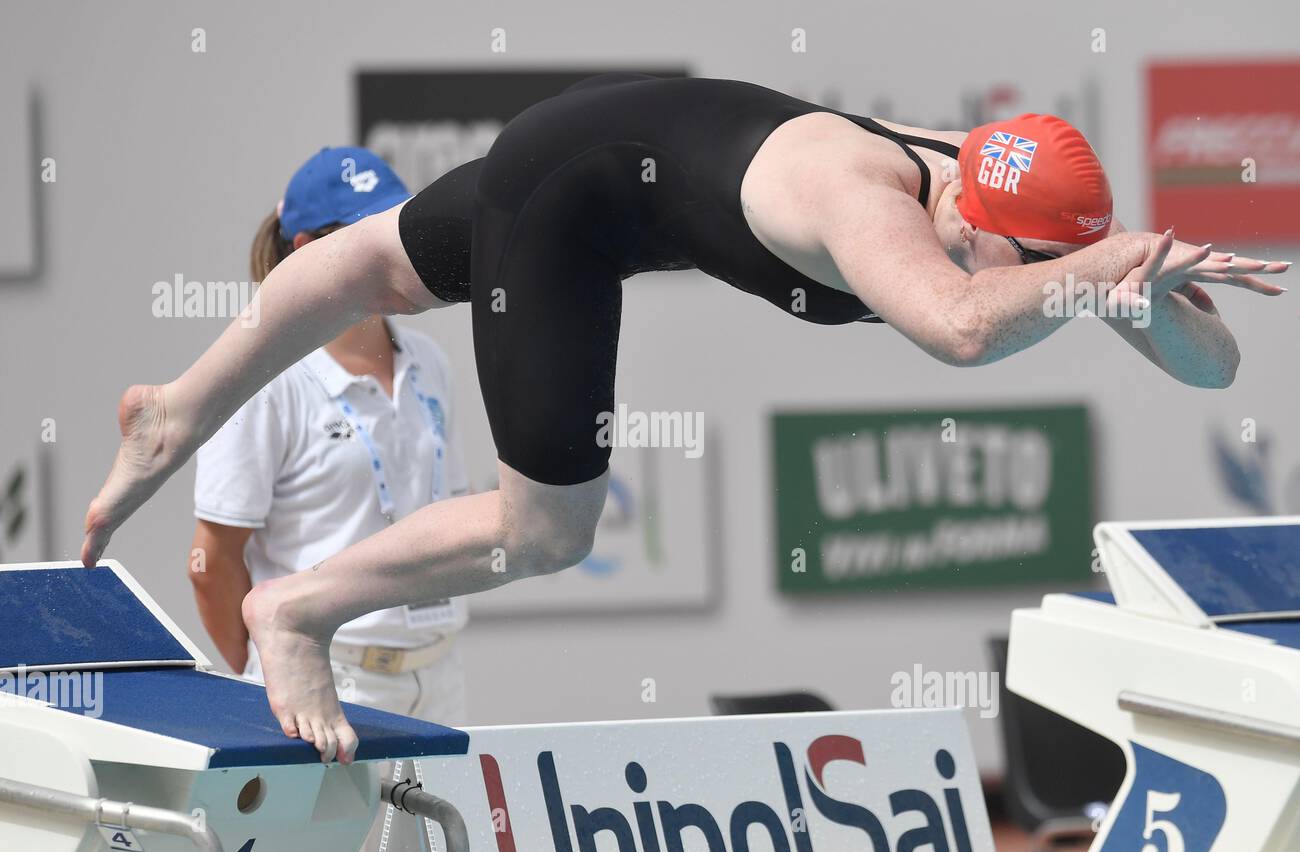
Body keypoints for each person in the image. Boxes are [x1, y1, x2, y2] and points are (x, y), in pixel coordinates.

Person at [83, 73, 1289, 763]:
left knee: (379, 271)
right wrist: (1092, 275)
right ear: (969, 211)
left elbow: (1210, 369)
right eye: (1029, 263)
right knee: (545, 528)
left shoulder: (1017, 210)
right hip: (571, 196)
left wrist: (1138, 285)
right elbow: (962, 328)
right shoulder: (872, 203)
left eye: (1059, 265)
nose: (1041, 282)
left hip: (609, 147)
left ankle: (173, 409)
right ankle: (297, 607)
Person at [187, 146, 469, 852]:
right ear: (307, 248)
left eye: (398, 225)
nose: (393, 246)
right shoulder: (265, 373)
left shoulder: (430, 362)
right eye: (366, 231)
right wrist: (270, 677)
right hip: (327, 681)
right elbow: (212, 562)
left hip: (438, 673)